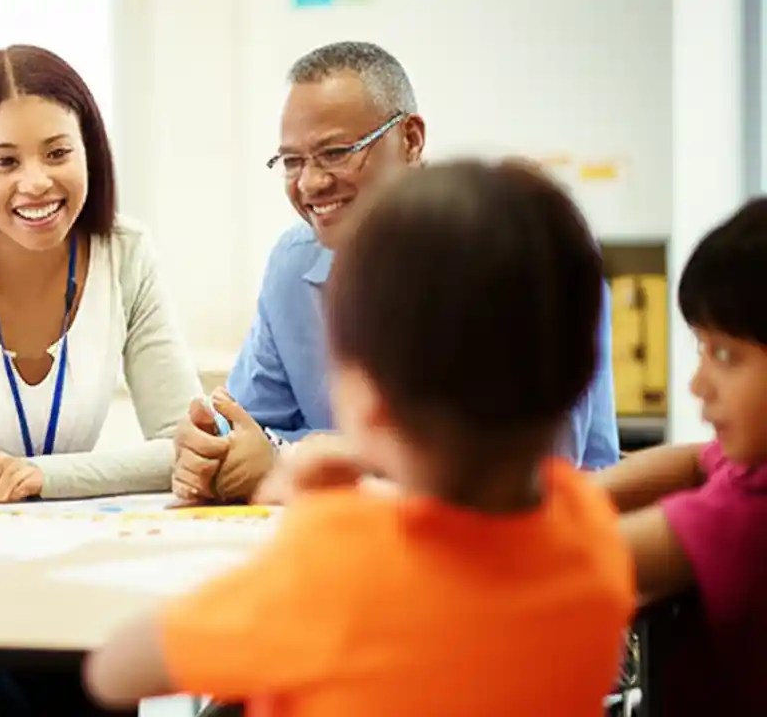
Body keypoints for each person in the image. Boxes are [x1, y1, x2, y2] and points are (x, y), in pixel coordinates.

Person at [84, 160, 634, 715]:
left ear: (367, 404)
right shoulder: (591, 539)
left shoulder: (336, 562)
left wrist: (310, 532)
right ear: (581, 373)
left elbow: (116, 670)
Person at [171, 41, 620, 503]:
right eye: (292, 161)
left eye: (336, 152)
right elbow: (249, 426)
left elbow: (518, 471)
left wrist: (291, 460)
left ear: (410, 139)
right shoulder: (294, 261)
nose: (309, 183)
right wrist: (210, 444)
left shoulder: (506, 251)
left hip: (527, 549)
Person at [0, 44, 202, 503]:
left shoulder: (126, 252)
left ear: (88, 151)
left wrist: (37, 476)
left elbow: (188, 446)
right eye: (5, 161)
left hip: (67, 542)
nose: (36, 182)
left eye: (57, 153)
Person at [597, 199, 767, 715]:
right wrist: (584, 490)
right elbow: (699, 460)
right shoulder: (749, 465)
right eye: (701, 350)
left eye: (725, 356)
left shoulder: (748, 514)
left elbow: (574, 557)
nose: (697, 386)